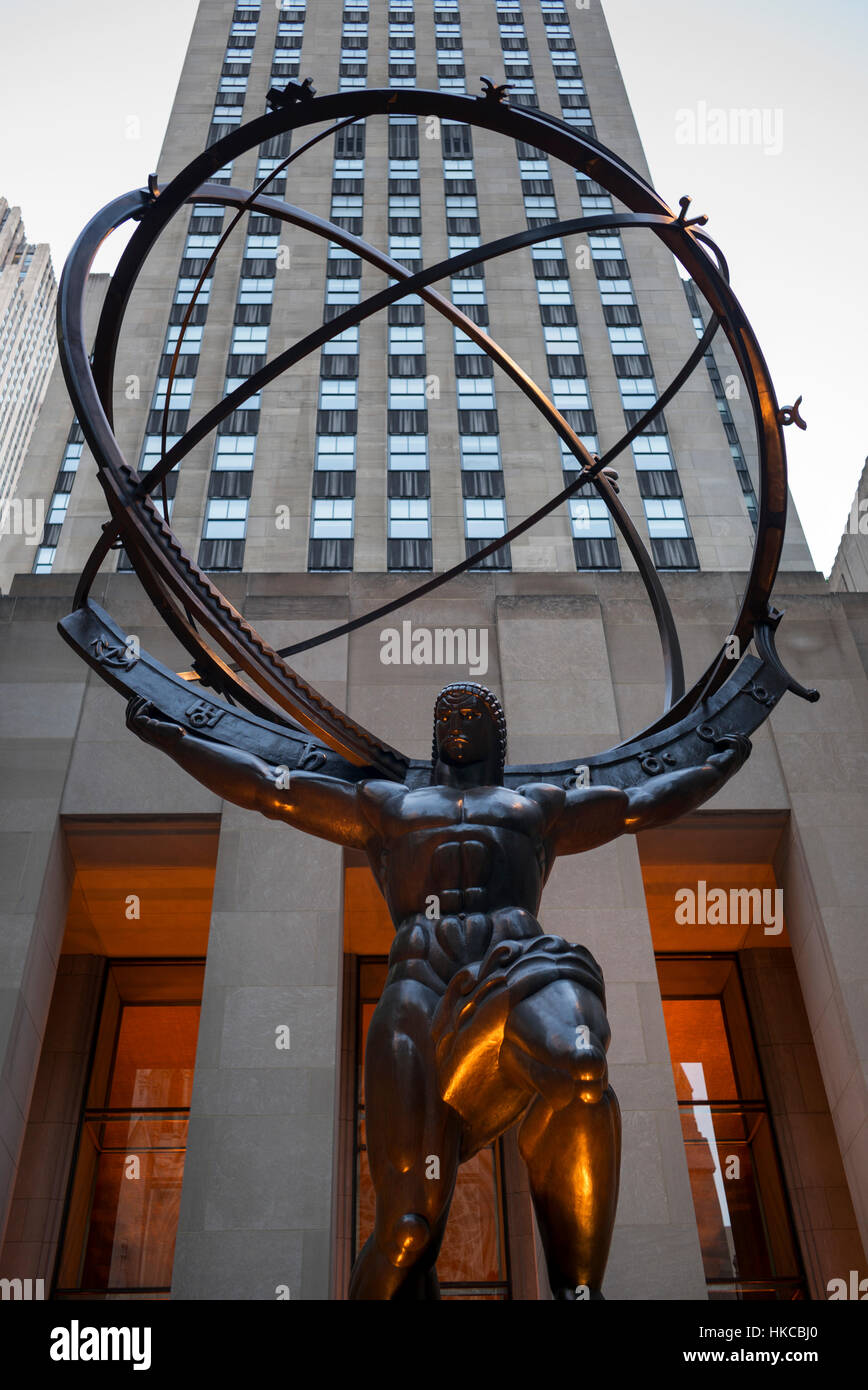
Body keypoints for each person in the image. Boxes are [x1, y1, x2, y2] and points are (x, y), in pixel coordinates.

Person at [126, 682, 750, 1300]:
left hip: (513, 969)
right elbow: (271, 790)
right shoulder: (386, 806)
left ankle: (578, 1290)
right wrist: (176, 741)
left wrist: (721, 762)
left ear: (495, 735)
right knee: (407, 1230)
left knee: (582, 1063)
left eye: (473, 711)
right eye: (447, 710)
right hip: (419, 991)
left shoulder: (536, 805)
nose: (458, 717)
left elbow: (639, 803)